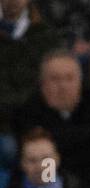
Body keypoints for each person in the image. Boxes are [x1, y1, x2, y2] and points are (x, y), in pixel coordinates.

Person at [14, 50, 90, 188]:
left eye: (69, 78)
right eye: (55, 79)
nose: (62, 86)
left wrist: (61, 139)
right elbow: (36, 151)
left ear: (80, 81)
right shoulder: (29, 110)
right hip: (53, 183)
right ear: (42, 83)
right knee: (44, 162)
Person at [0, 0, 61, 154]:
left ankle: (49, 177)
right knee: (8, 149)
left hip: (36, 117)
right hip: (3, 121)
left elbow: (52, 81)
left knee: (48, 150)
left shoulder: (45, 34)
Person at [0, 128, 89, 188]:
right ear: (22, 164)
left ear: (57, 159)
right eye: (32, 160)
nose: (40, 166)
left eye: (46, 158)